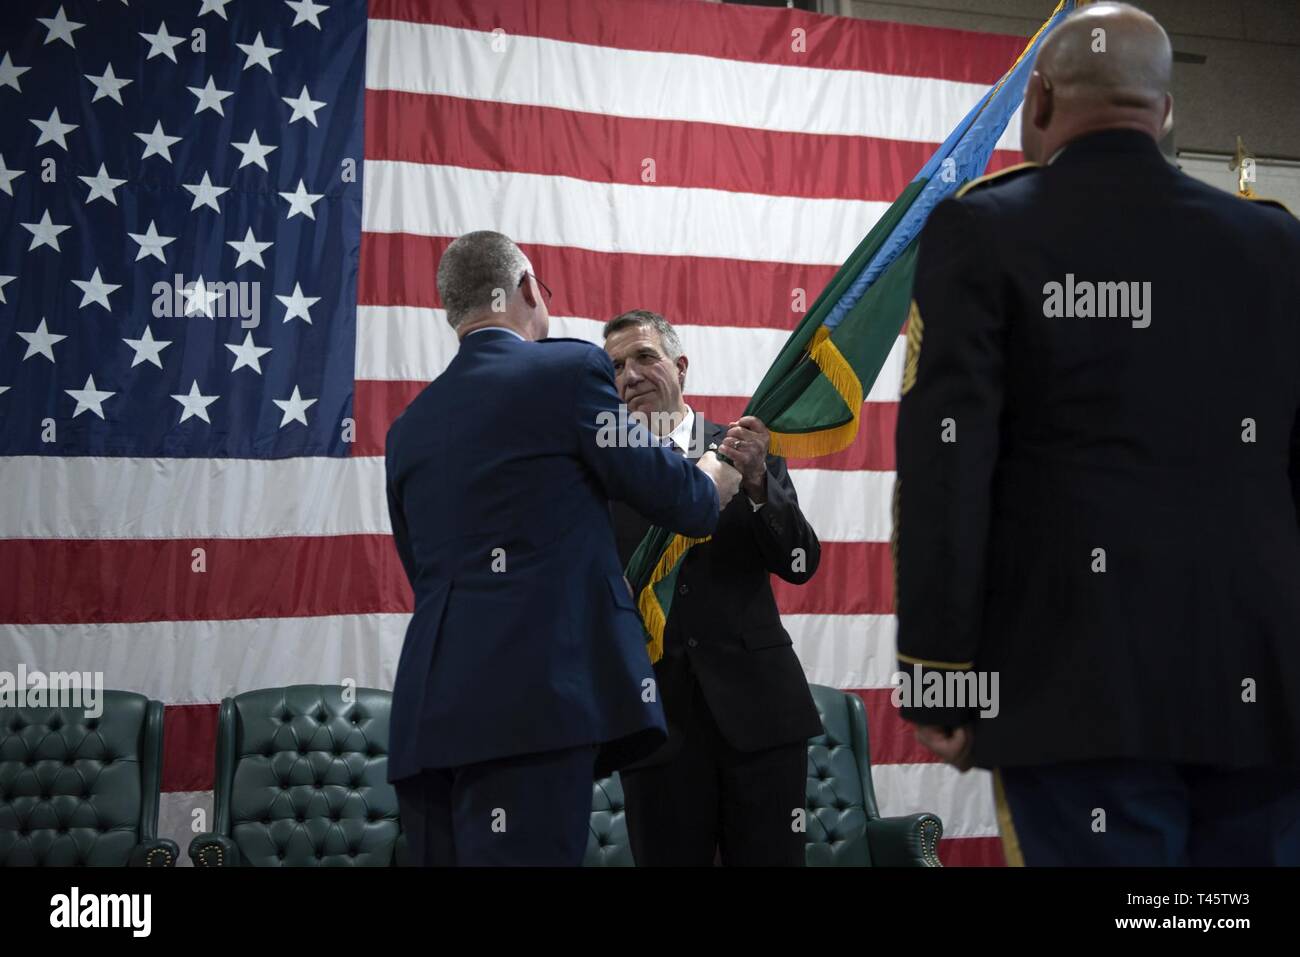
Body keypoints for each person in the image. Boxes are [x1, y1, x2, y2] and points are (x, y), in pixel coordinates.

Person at [894, 2, 1300, 865]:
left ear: (1037, 99)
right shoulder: (1275, 243)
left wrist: (939, 671)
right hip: (1265, 685)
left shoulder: (985, 228)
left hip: (1073, 685)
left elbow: (946, 469)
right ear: (1168, 113)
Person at [385, 232, 741, 865]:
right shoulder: (568, 369)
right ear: (525, 288)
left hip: (429, 716)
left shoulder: (408, 427)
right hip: (532, 706)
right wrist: (715, 476)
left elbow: (422, 568)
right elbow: (677, 498)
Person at [604, 310, 823, 866]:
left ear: (680, 366)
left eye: (644, 357)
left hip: (759, 712)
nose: (630, 374)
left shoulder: (743, 447)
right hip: (656, 722)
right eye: (616, 366)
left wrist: (755, 484)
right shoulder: (602, 471)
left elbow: (800, 562)